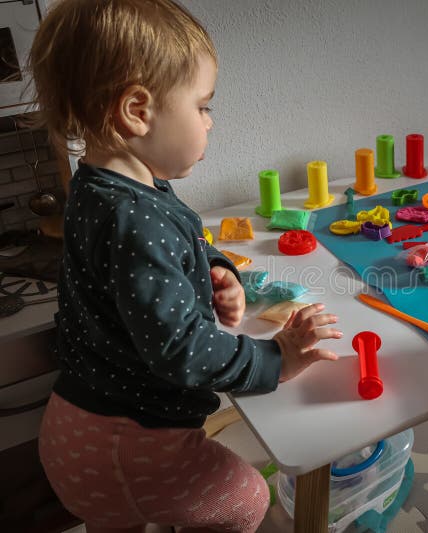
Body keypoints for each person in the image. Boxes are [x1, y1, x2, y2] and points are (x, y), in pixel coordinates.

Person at [29, 1, 341, 531]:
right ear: (137, 111)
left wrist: (217, 269)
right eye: (201, 107)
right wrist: (276, 359)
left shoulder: (104, 186)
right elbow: (184, 349)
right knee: (246, 500)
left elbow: (178, 241)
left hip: (82, 426)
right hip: (127, 443)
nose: (210, 123)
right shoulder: (133, 217)